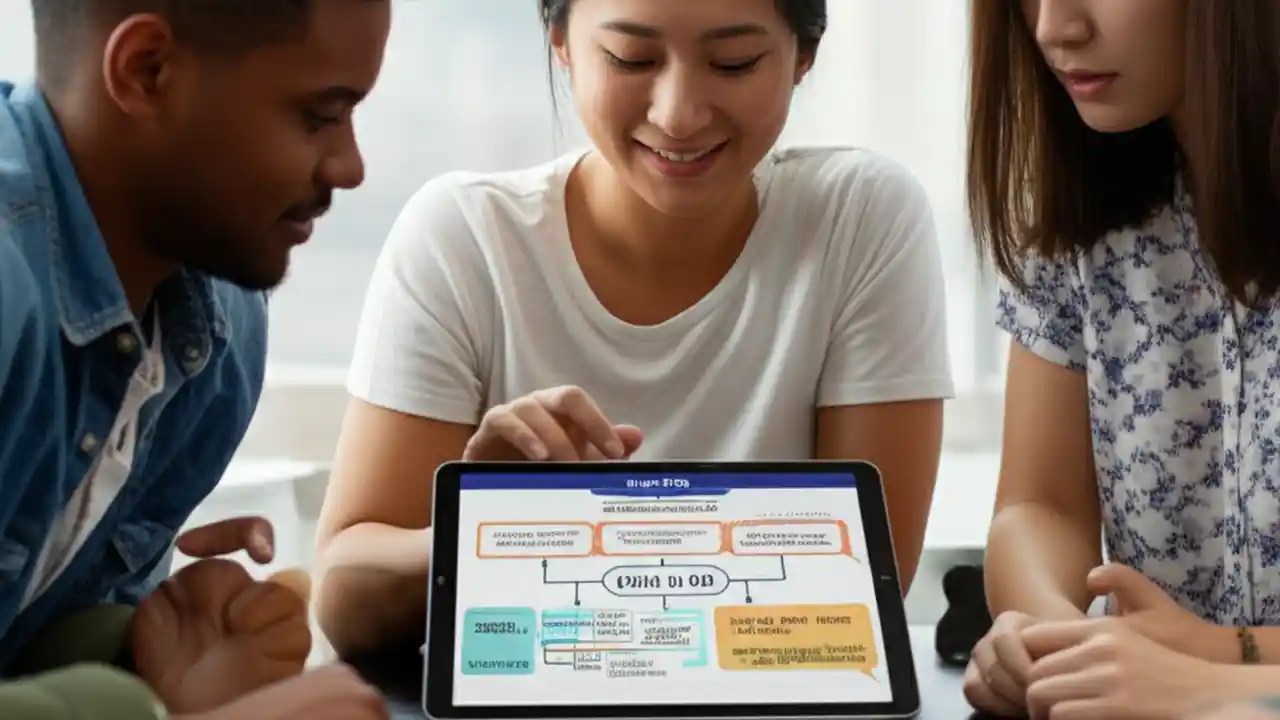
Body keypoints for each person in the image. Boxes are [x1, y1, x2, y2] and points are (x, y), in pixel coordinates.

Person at [313, 0, 955, 658]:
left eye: (734, 63)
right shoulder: (465, 237)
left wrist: (565, 539)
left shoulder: (859, 220)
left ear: (804, 57)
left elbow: (863, 587)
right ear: (560, 42)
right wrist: (480, 523)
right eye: (630, 59)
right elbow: (344, 606)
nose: (678, 114)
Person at [0, 0, 393, 717]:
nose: (350, 166)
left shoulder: (216, 329)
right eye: (318, 116)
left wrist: (133, 649)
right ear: (147, 71)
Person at [961, 0, 1280, 718]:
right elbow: (1039, 506)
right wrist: (1058, 643)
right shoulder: (1087, 218)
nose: (1051, 28)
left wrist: (1218, 671)